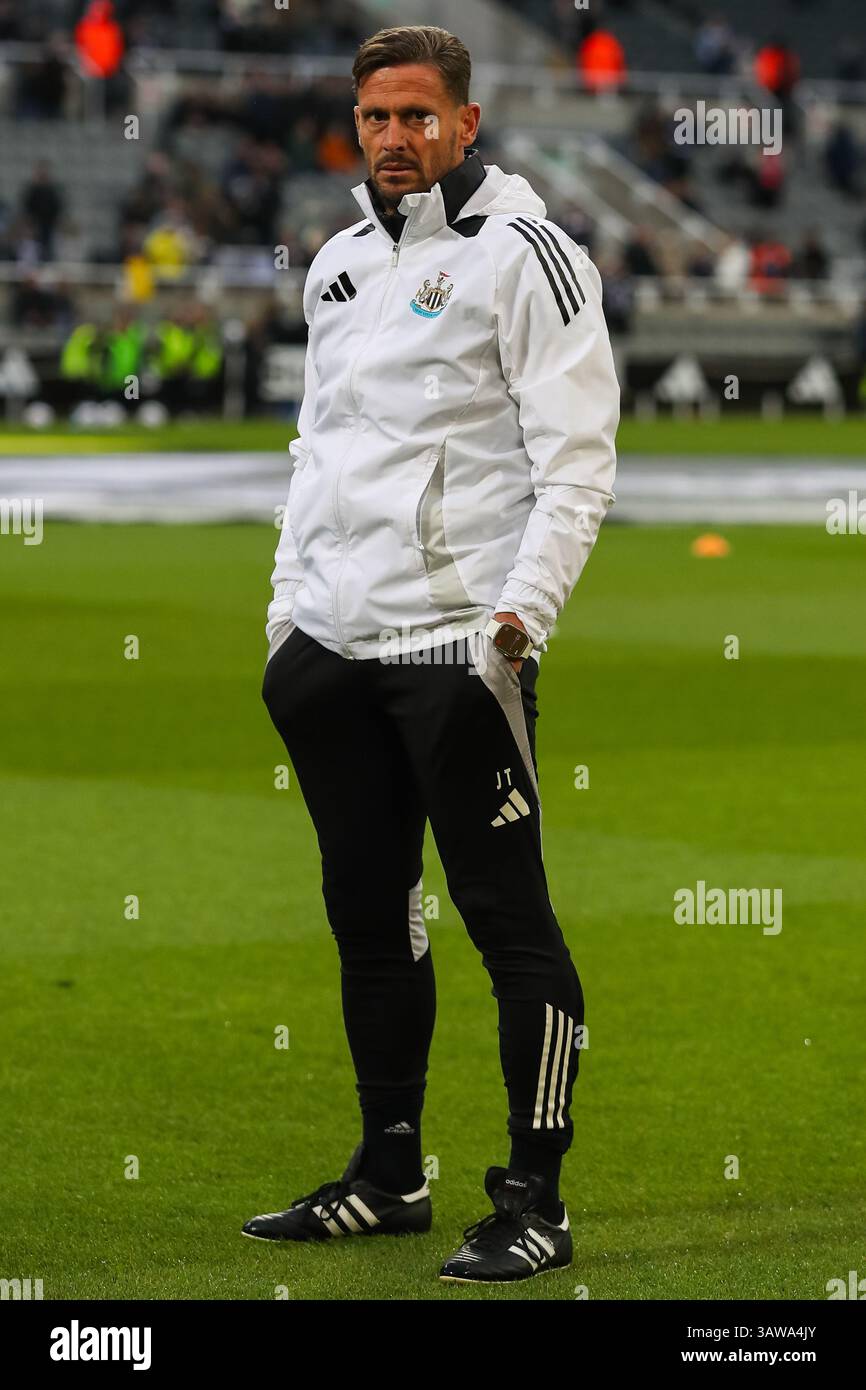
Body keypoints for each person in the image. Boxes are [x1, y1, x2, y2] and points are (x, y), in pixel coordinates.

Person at [245, 24, 619, 1285]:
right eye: (375, 118)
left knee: (509, 923)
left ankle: (535, 1198)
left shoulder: (528, 254)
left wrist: (513, 628)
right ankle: (388, 1171)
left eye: (417, 117)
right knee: (368, 915)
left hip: (458, 648)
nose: (394, 140)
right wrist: (287, 620)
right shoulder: (342, 262)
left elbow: (576, 463)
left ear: (465, 123)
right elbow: (317, 452)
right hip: (334, 648)